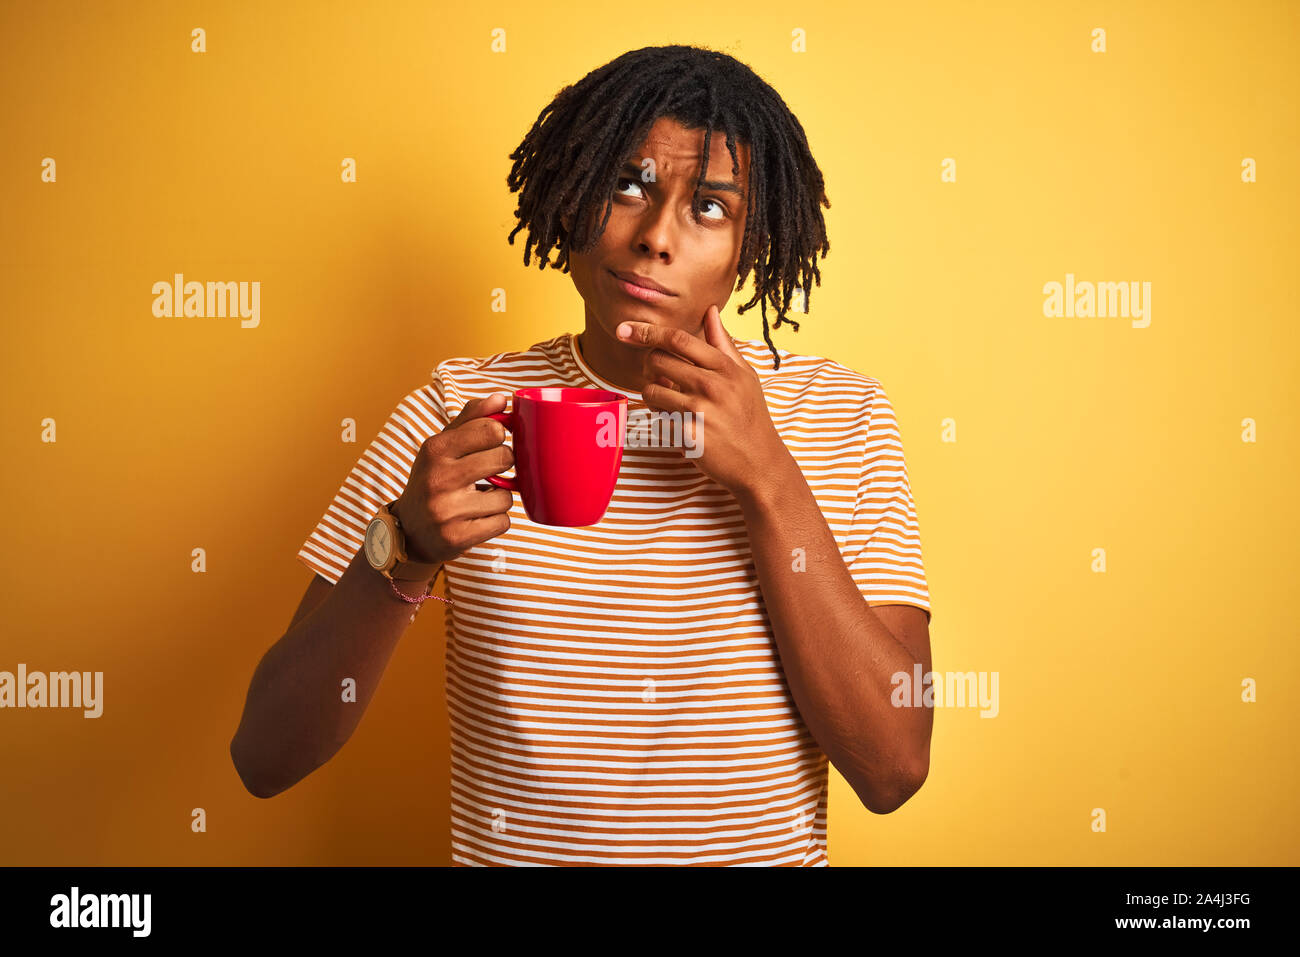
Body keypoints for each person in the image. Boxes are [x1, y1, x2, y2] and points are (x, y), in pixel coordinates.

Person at [231, 43, 932, 866]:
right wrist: (405, 549)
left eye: (709, 207)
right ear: (571, 196)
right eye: (628, 184)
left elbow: (893, 766)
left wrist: (770, 478)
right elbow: (265, 756)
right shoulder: (460, 410)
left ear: (749, 245)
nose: (657, 237)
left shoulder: (841, 414)